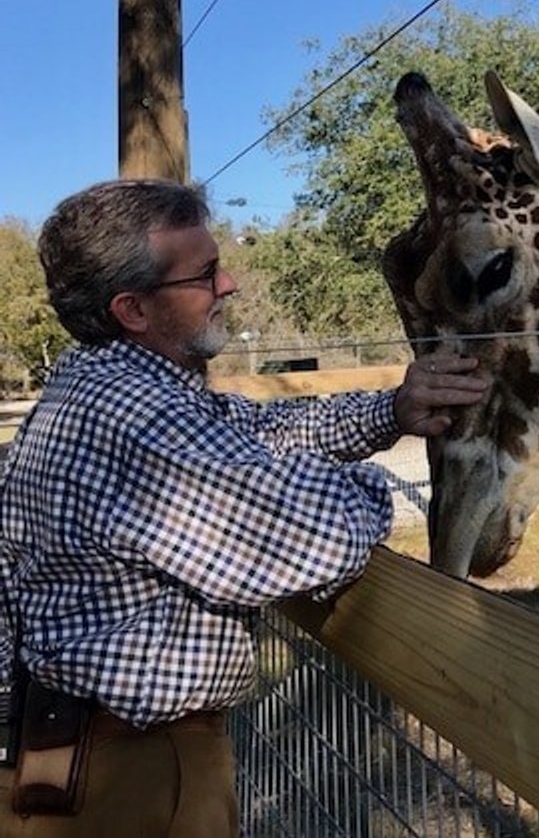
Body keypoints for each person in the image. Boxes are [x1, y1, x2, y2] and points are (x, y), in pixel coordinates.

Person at [0, 179, 487, 837]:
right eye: (204, 274)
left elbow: (257, 431)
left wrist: (392, 411)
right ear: (133, 309)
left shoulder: (97, 386)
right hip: (138, 776)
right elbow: (315, 535)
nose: (227, 284)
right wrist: (370, 487)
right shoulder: (136, 419)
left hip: (71, 756)